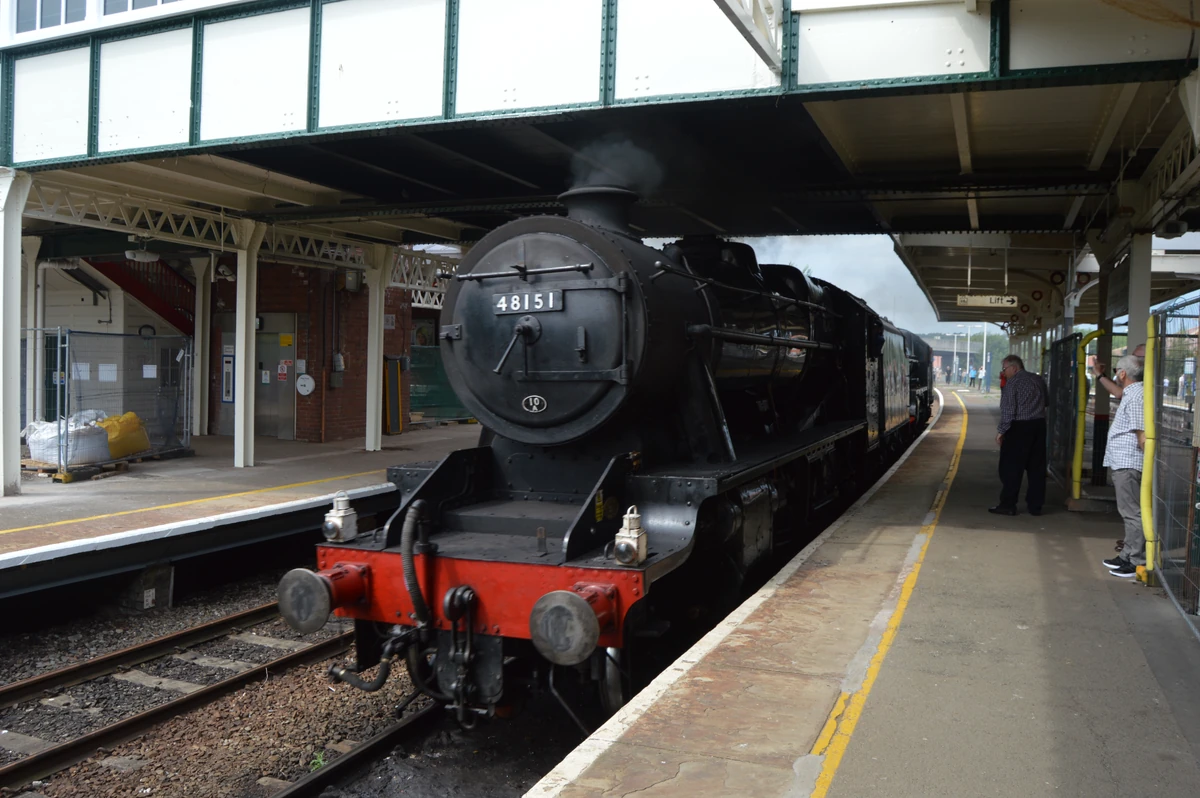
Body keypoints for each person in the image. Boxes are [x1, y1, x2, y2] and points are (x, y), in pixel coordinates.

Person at [1101, 355, 1147, 578]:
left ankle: (1136, 560)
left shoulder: (1136, 395)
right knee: (1128, 511)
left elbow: (1142, 433)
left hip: (1128, 461)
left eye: (1116, 370)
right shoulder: (1132, 393)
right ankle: (1127, 554)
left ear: (1122, 374)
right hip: (1123, 460)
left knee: (1132, 513)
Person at [990, 355, 1048, 516]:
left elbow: (1008, 412)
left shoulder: (1012, 384)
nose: (1003, 373)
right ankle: (1035, 506)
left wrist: (1001, 432)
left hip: (1019, 429)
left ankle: (1008, 504)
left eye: (1004, 369)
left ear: (1014, 368)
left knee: (1010, 469)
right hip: (1039, 426)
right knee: (1037, 469)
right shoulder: (1038, 380)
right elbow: (1047, 402)